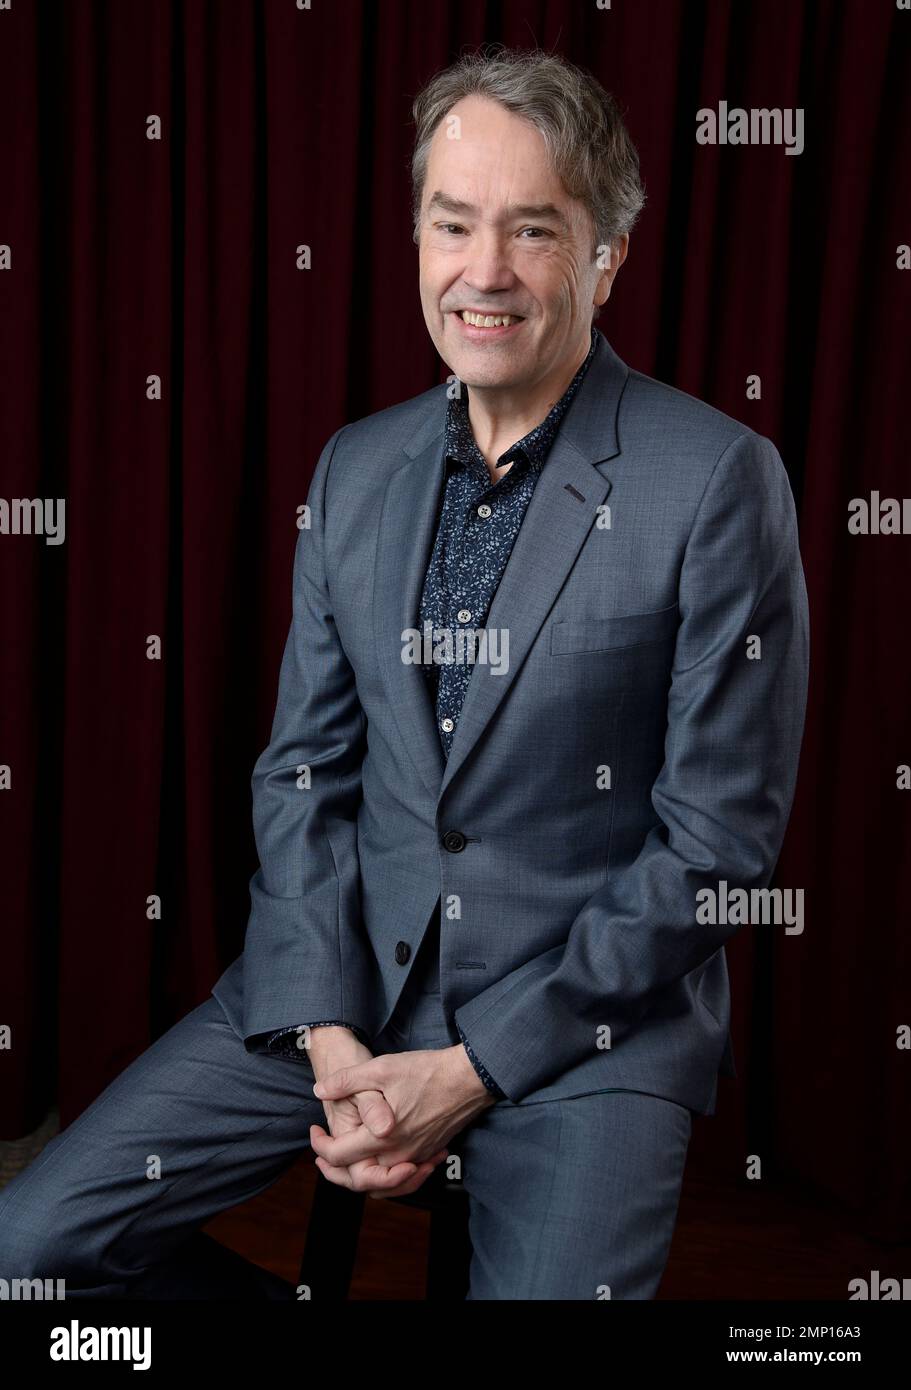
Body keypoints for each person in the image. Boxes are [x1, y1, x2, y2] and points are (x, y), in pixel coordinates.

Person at [0, 45, 808, 1301]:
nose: (483, 272)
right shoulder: (354, 469)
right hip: (340, 985)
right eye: (452, 224)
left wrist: (472, 1064)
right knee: (24, 1257)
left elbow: (714, 846)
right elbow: (304, 772)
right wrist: (328, 1031)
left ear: (606, 258)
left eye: (533, 231)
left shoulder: (713, 481)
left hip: (584, 1023)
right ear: (417, 238)